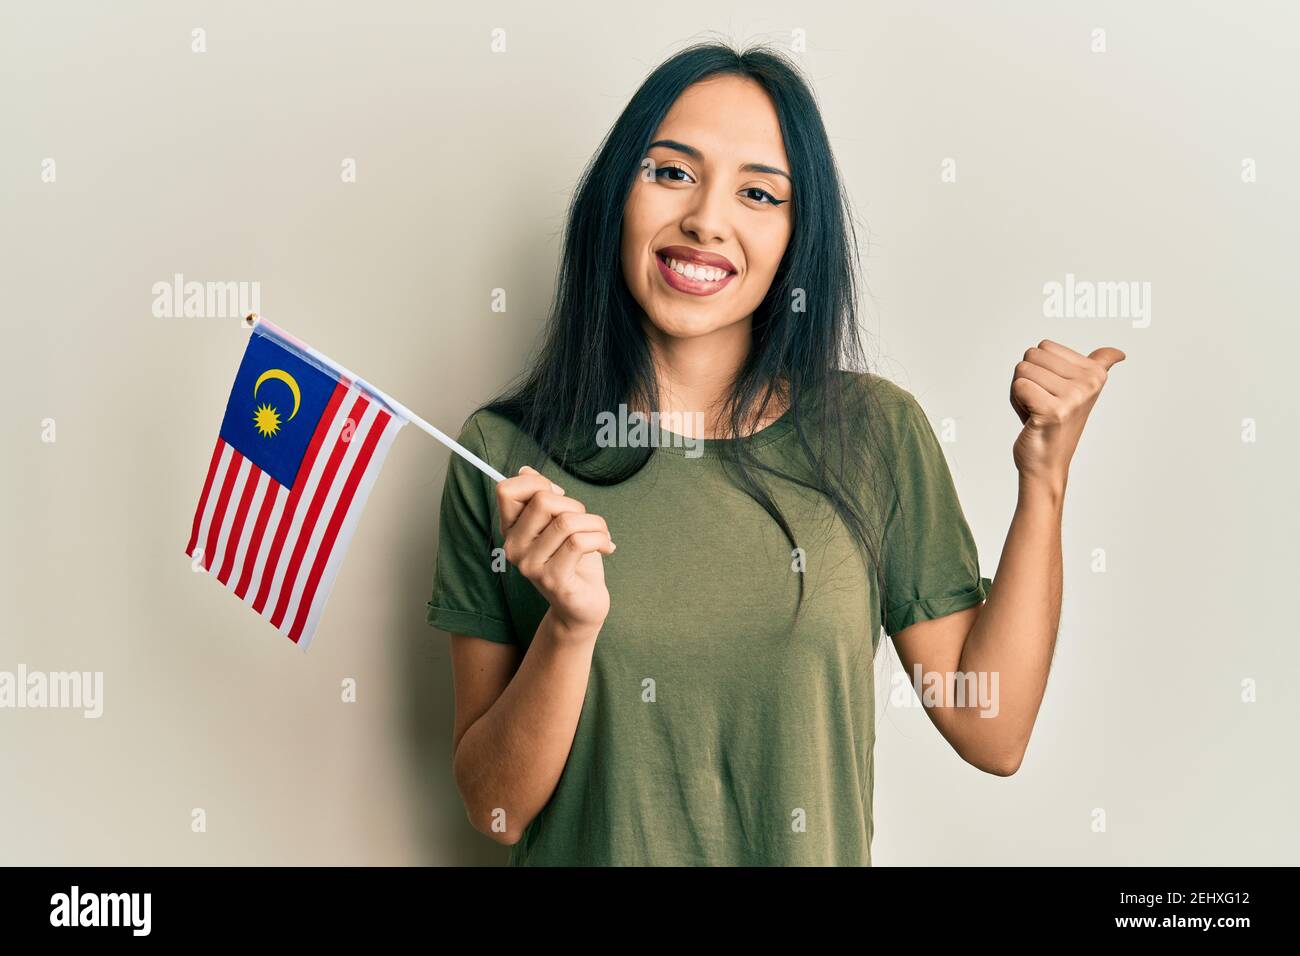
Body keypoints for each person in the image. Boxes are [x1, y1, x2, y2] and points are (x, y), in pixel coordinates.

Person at [426, 41, 1124, 865]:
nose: (707, 219)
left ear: (800, 237)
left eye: (759, 193)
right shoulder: (503, 457)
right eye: (671, 173)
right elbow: (495, 810)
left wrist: (1043, 479)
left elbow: (993, 729)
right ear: (616, 198)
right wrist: (569, 631)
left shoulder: (873, 434)